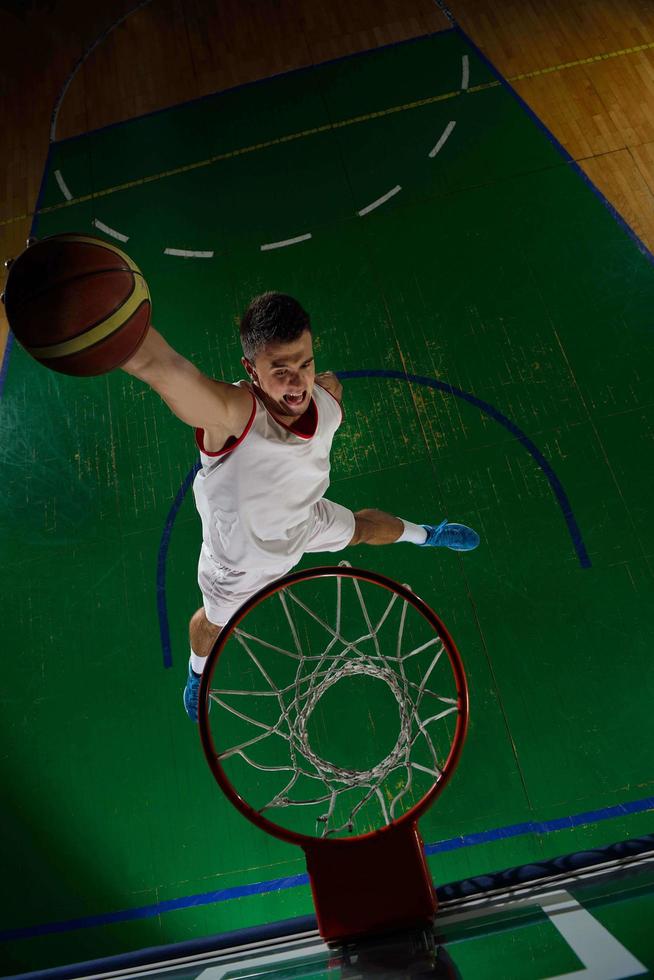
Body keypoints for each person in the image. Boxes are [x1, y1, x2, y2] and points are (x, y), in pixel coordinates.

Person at [122, 292, 479, 721]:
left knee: (363, 528)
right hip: (239, 561)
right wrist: (103, 321)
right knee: (213, 625)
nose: (297, 383)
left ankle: (430, 534)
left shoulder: (326, 399)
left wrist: (317, 381)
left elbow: (326, 387)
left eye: (305, 363)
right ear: (251, 371)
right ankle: (197, 674)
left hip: (304, 519)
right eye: (281, 371)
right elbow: (163, 369)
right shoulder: (231, 414)